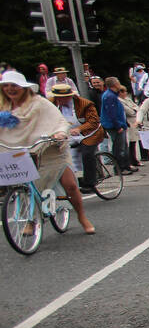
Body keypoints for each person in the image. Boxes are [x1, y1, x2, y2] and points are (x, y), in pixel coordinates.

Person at [0, 70, 94, 233]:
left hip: (49, 150)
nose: (10, 89)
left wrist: (60, 133)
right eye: (6, 86)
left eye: (14, 85)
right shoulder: (3, 106)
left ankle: (82, 216)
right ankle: (31, 220)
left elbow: (59, 121)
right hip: (21, 152)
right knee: (25, 187)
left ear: (23, 88)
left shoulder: (39, 103)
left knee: (70, 185)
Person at [47, 82, 105, 191]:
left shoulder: (85, 104)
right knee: (62, 155)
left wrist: (80, 129)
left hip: (89, 133)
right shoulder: (51, 104)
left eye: (64, 98)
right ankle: (69, 181)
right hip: (67, 134)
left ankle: (90, 183)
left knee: (87, 153)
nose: (61, 101)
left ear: (70, 96)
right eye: (58, 98)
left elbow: (93, 121)